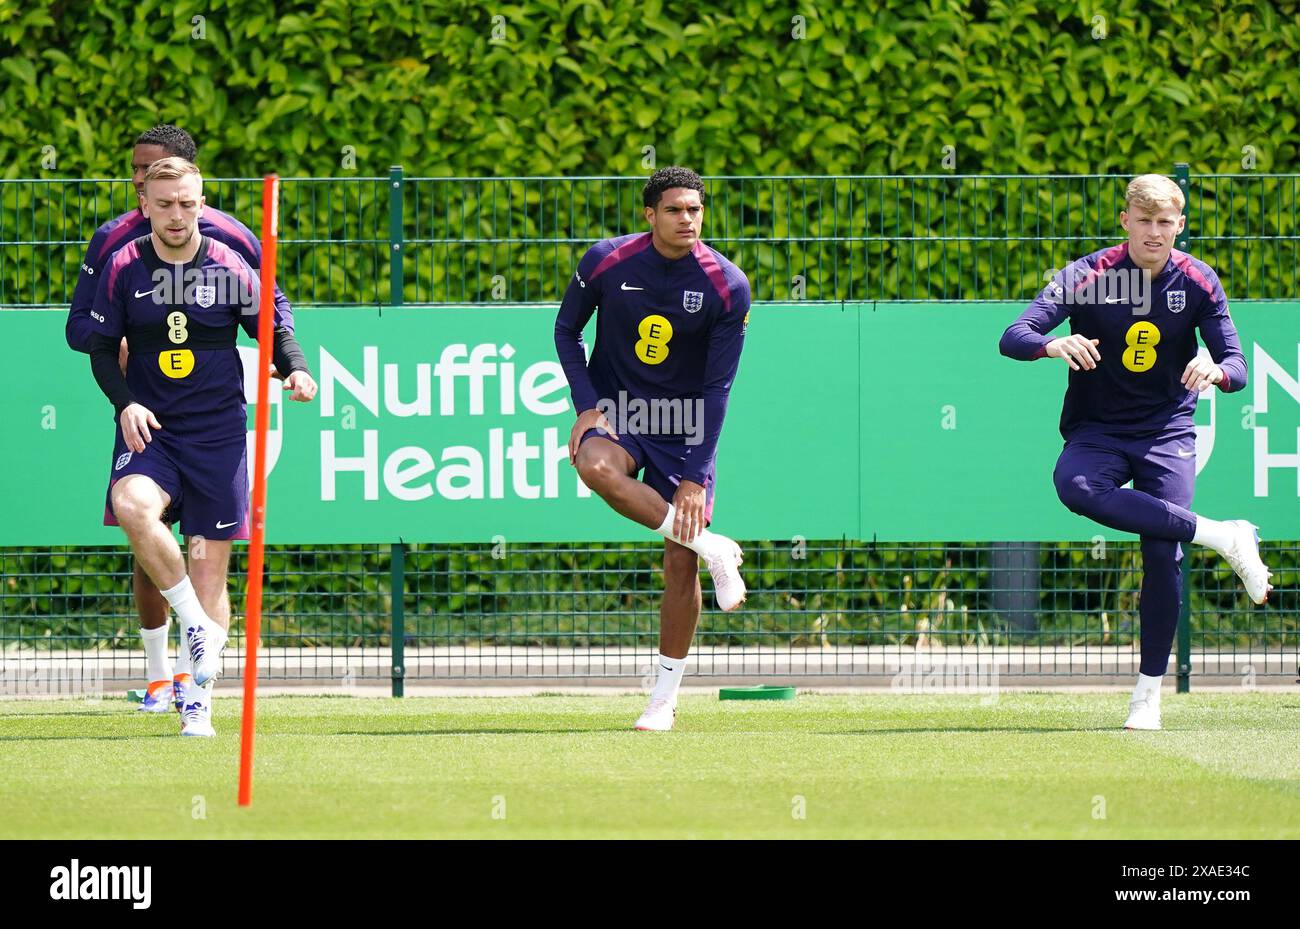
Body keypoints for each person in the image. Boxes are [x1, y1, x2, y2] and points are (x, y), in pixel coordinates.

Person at [999, 173, 1271, 731]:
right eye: (1144, 220)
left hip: (1167, 432)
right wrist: (1054, 343)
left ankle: (1147, 696)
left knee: (1162, 554)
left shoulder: (1198, 280)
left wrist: (1217, 370)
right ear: (1124, 221)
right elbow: (1013, 334)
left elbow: (1238, 365)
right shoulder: (1087, 274)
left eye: (1165, 222)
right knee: (1074, 487)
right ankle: (1224, 535)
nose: (1154, 232)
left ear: (1180, 224)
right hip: (1097, 429)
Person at [67, 125, 295, 714]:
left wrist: (288, 363)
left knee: (204, 555)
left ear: (195, 188)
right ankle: (160, 673)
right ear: (141, 193)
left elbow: (269, 311)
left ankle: (199, 694)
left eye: (164, 178)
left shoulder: (229, 241)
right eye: (140, 176)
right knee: (142, 528)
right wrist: (124, 378)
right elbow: (84, 333)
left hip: (214, 421)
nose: (146, 183)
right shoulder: (116, 247)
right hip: (147, 411)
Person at [555, 166, 750, 732]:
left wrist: (694, 476)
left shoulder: (726, 284)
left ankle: (662, 700)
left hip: (685, 424)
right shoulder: (605, 261)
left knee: (677, 560)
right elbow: (567, 332)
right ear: (649, 214)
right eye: (673, 209)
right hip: (617, 413)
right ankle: (716, 547)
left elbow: (718, 388)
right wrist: (588, 406)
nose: (686, 219)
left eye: (694, 209)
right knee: (593, 466)